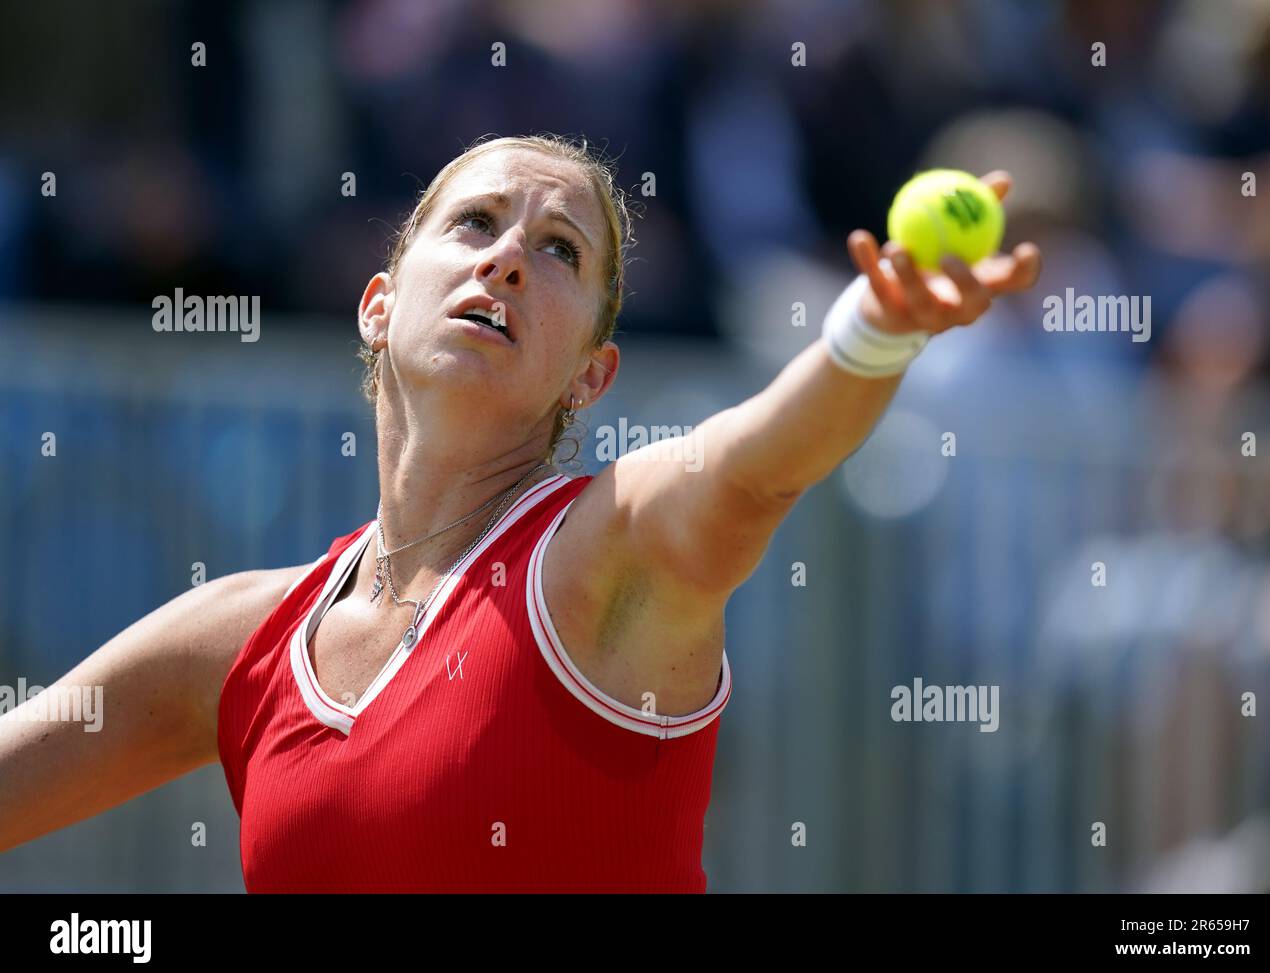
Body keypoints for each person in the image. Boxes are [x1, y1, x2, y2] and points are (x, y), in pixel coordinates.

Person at [0, 133, 1041, 891]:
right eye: (476, 222)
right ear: (378, 300)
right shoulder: (234, 639)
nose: (505, 258)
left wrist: (874, 329)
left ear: (592, 376)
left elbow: (754, 467)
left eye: (559, 251)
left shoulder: (605, 553)